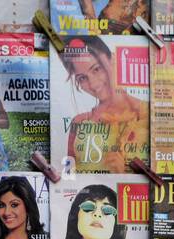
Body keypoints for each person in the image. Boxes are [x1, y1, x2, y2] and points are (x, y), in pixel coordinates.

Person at [60, 35, 148, 172]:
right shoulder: (78, 122)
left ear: (112, 60)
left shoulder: (147, 113)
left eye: (96, 69)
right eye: (82, 78)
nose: (93, 85)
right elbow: (68, 174)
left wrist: (122, 174)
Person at [63, 184, 135, 239]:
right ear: (76, 217)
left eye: (108, 209)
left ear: (116, 223)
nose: (97, 214)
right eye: (88, 206)